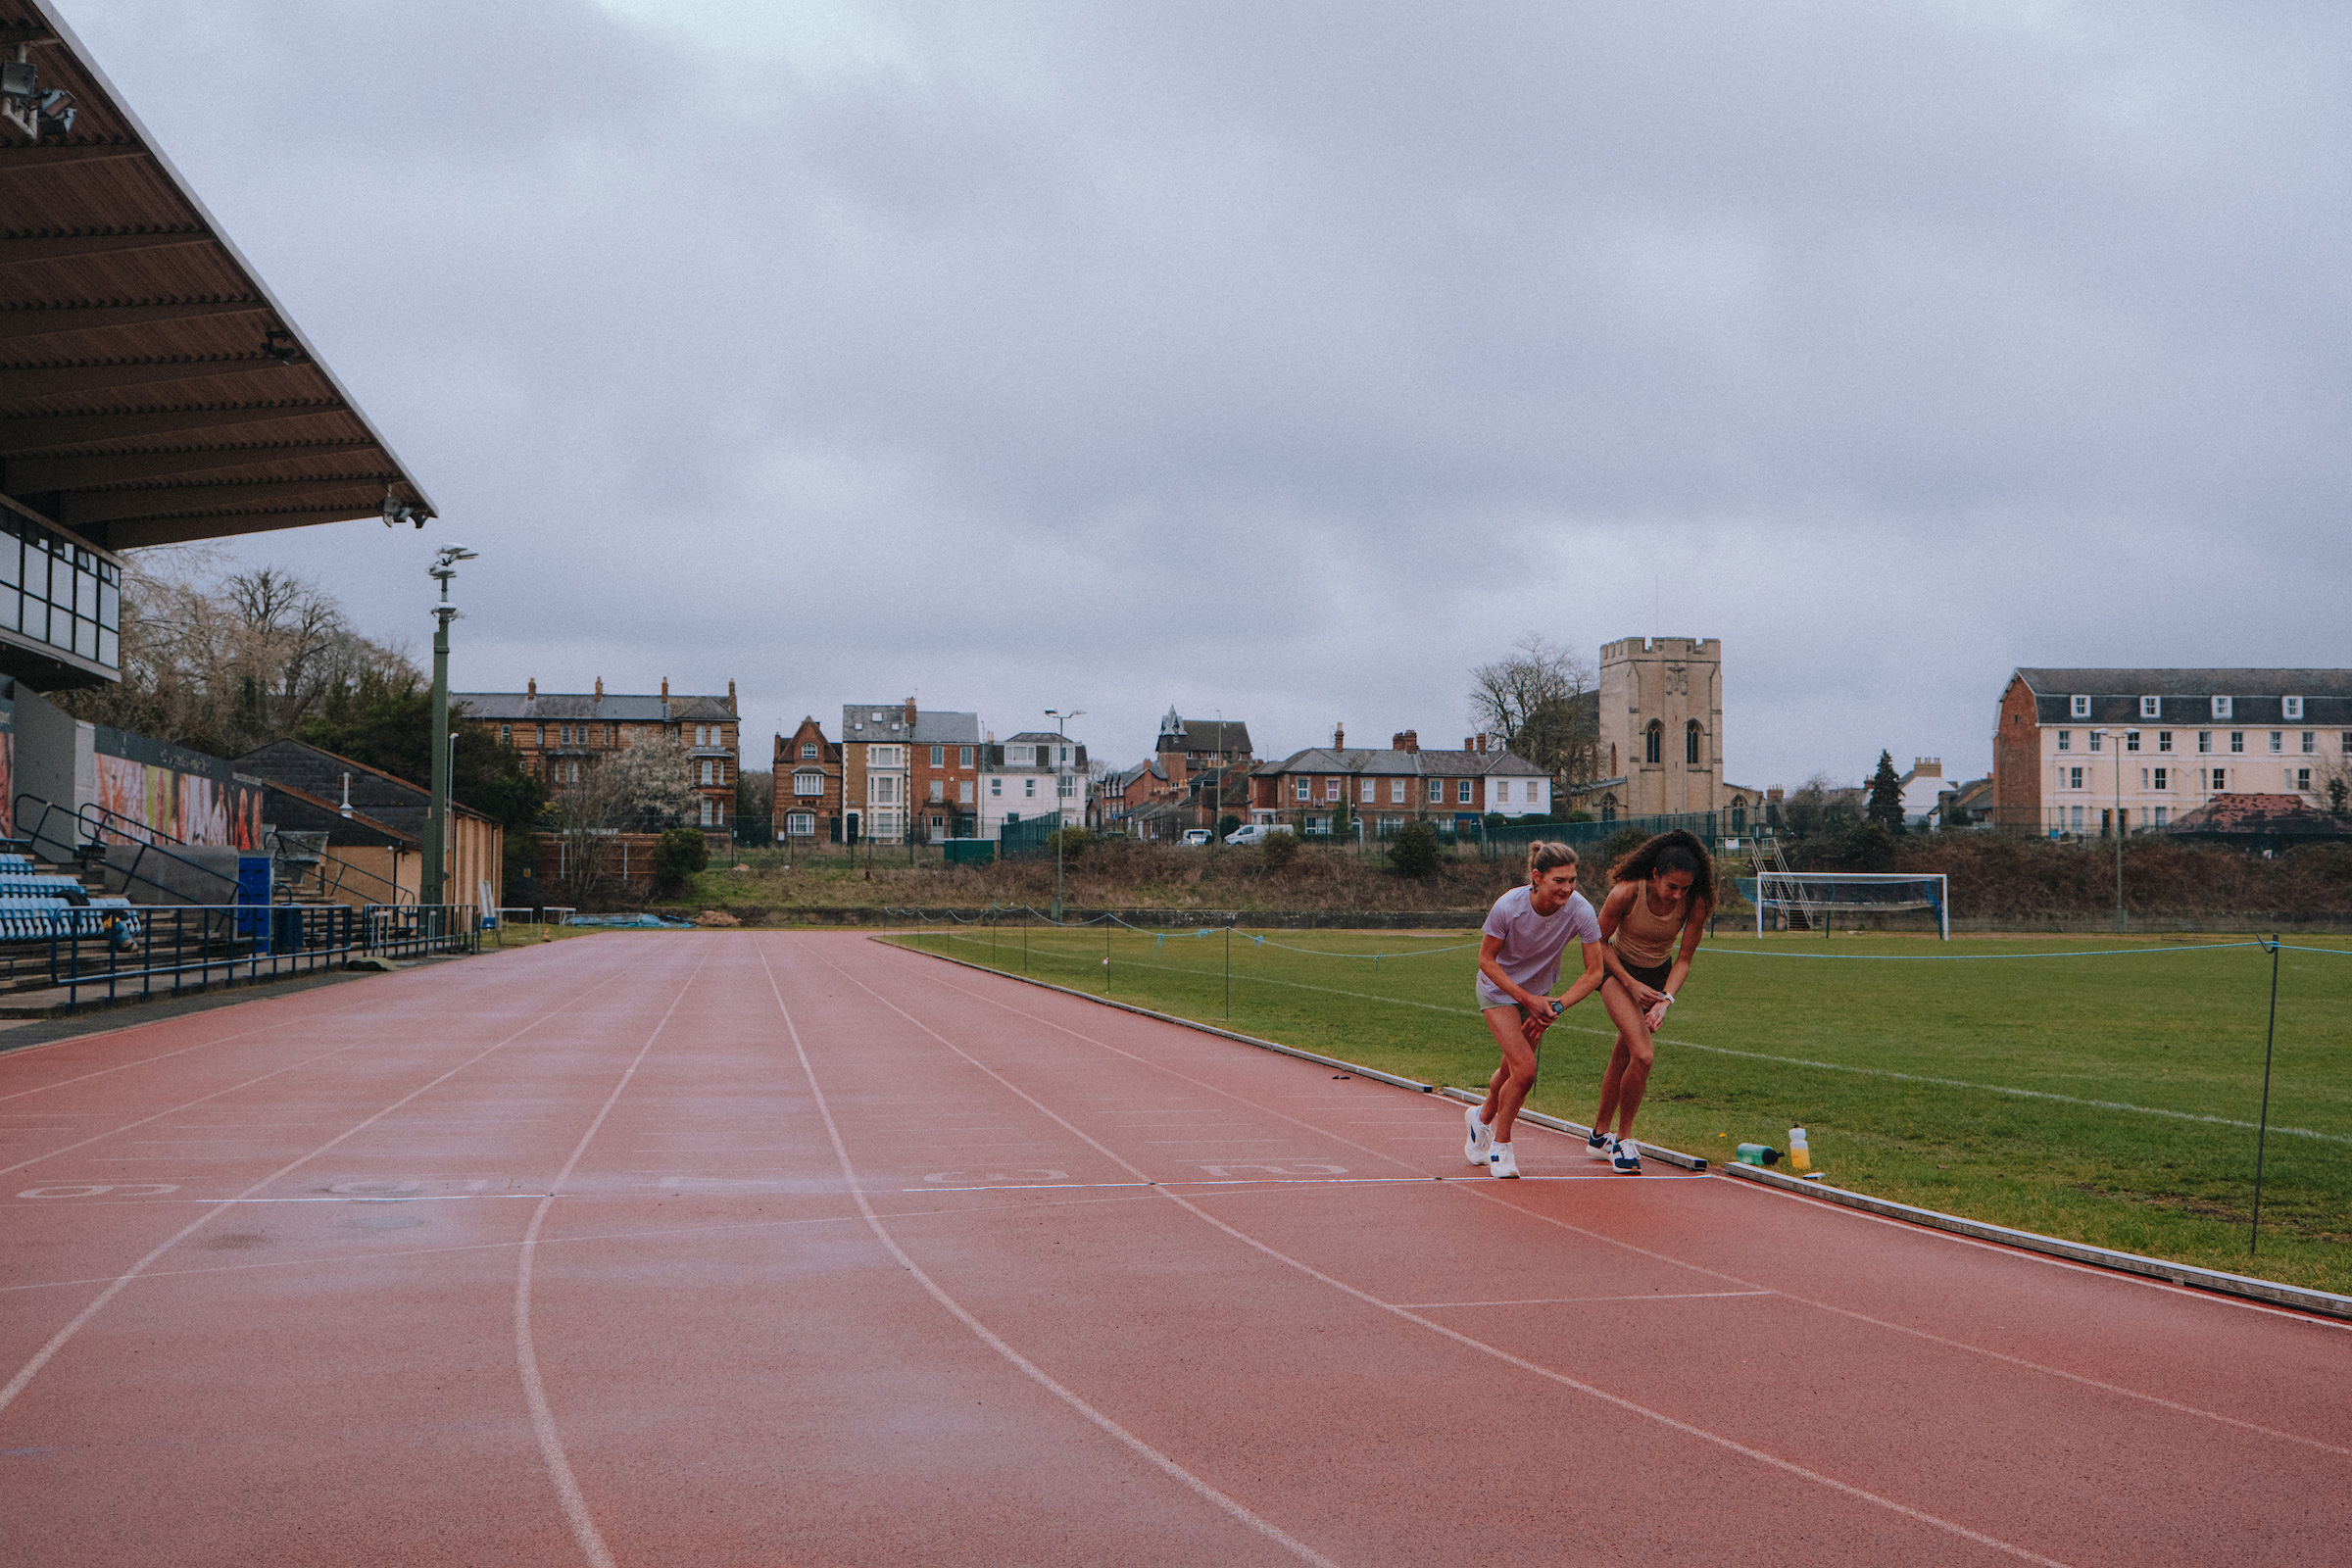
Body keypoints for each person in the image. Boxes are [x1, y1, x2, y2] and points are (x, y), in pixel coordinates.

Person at [1464, 842, 1608, 1178]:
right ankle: (1501, 1147)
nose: (1568, 888)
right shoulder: (1508, 906)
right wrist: (1526, 999)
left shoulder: (1581, 910)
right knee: (1526, 1071)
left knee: (1511, 1069)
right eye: (1559, 880)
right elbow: (1486, 960)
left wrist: (1556, 1005)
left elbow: (1594, 972)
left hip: (1541, 997)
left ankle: (1481, 1119)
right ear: (1537, 877)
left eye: (1573, 880)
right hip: (1498, 990)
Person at [1587, 829, 1715, 1174]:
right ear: (1655, 875)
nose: (1677, 895)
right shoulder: (1626, 893)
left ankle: (1599, 1136)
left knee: (1626, 1053)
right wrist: (1629, 983)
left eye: (1684, 889)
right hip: (1615, 971)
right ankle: (1623, 1141)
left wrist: (1665, 1001)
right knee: (1643, 1055)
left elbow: (1685, 958)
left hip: (1658, 977)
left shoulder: (1695, 903)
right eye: (1671, 886)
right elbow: (1596, 942)